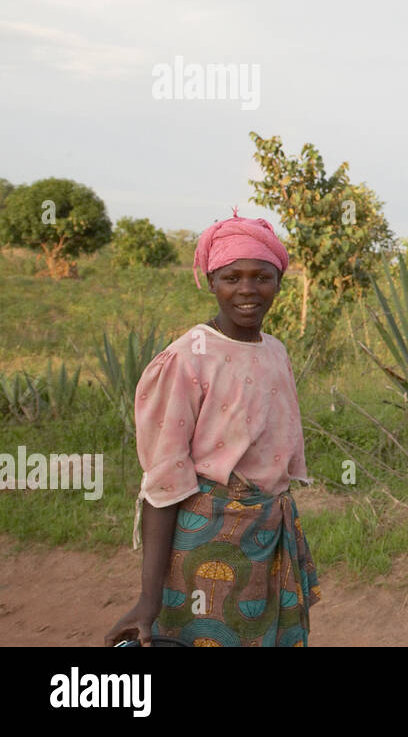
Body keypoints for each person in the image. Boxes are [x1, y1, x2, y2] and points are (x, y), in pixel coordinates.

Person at [105, 209, 320, 647]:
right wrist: (148, 600)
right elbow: (164, 482)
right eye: (231, 277)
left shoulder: (275, 351)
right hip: (208, 542)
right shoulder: (188, 358)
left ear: (278, 282)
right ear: (211, 282)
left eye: (261, 276)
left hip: (269, 531)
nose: (247, 289)